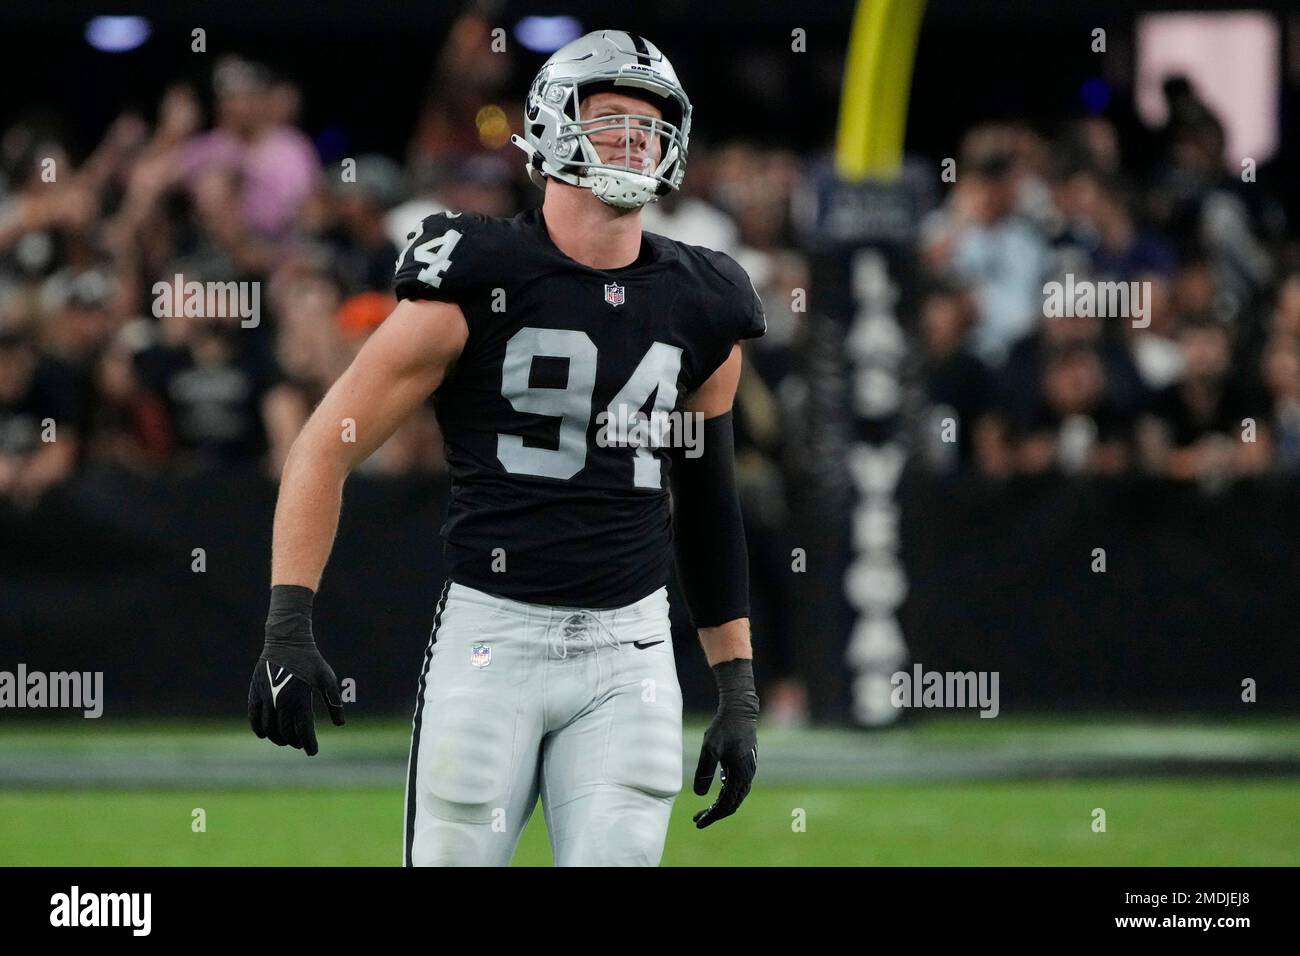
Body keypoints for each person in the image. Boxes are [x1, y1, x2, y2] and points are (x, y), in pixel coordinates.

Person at [247, 31, 765, 867]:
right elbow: (322, 448)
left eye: (651, 122)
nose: (636, 138)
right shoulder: (475, 274)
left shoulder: (704, 301)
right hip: (494, 640)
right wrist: (285, 624)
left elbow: (707, 504)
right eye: (612, 118)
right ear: (553, 127)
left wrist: (735, 685)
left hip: (629, 650)